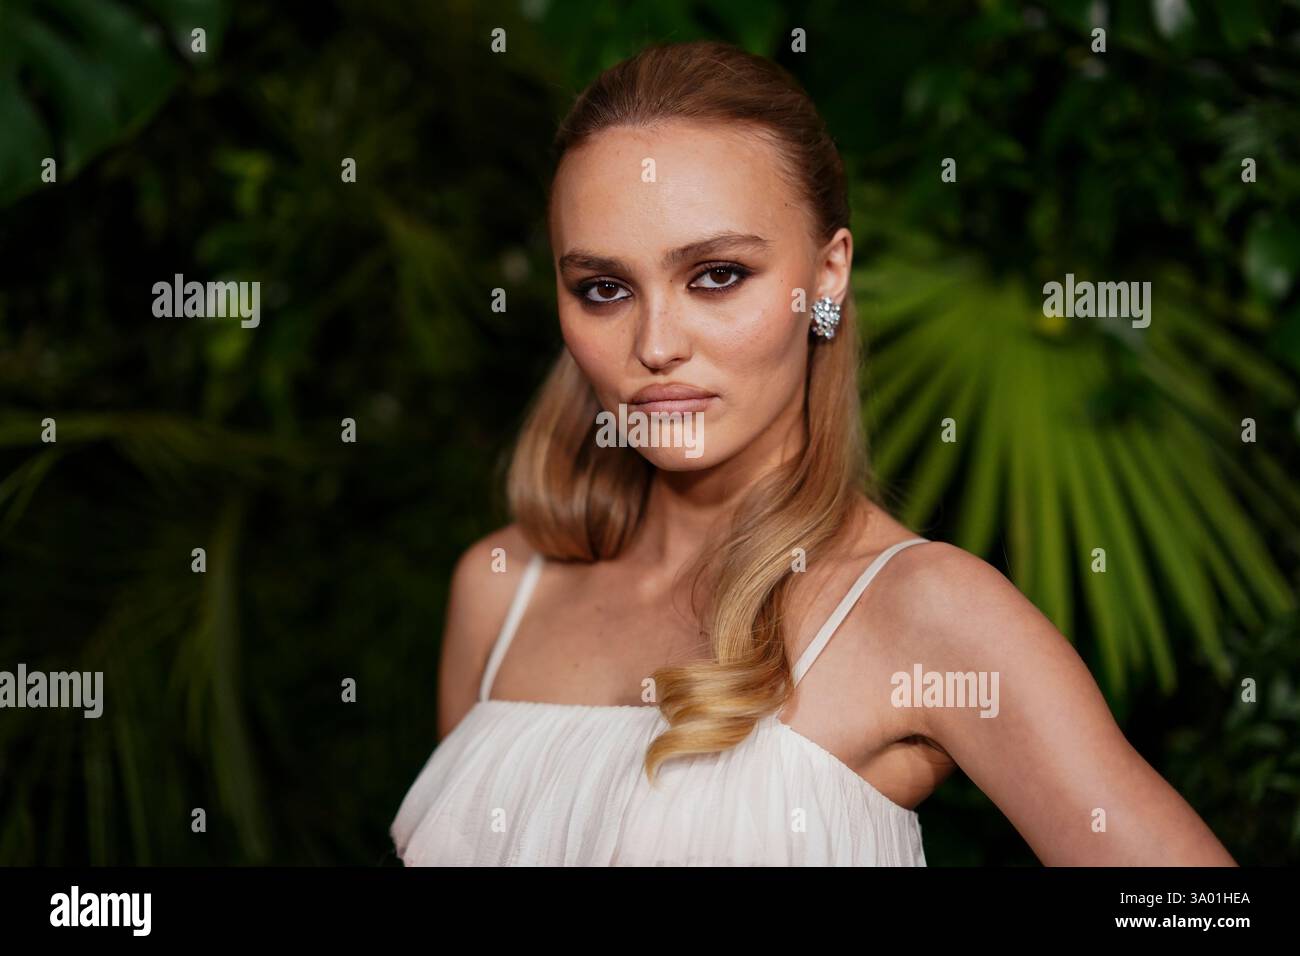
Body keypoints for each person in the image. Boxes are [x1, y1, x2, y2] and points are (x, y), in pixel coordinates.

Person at [390, 39, 1236, 866]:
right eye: (603, 289)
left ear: (826, 276)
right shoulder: (499, 590)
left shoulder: (921, 610)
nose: (655, 344)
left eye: (716, 275)